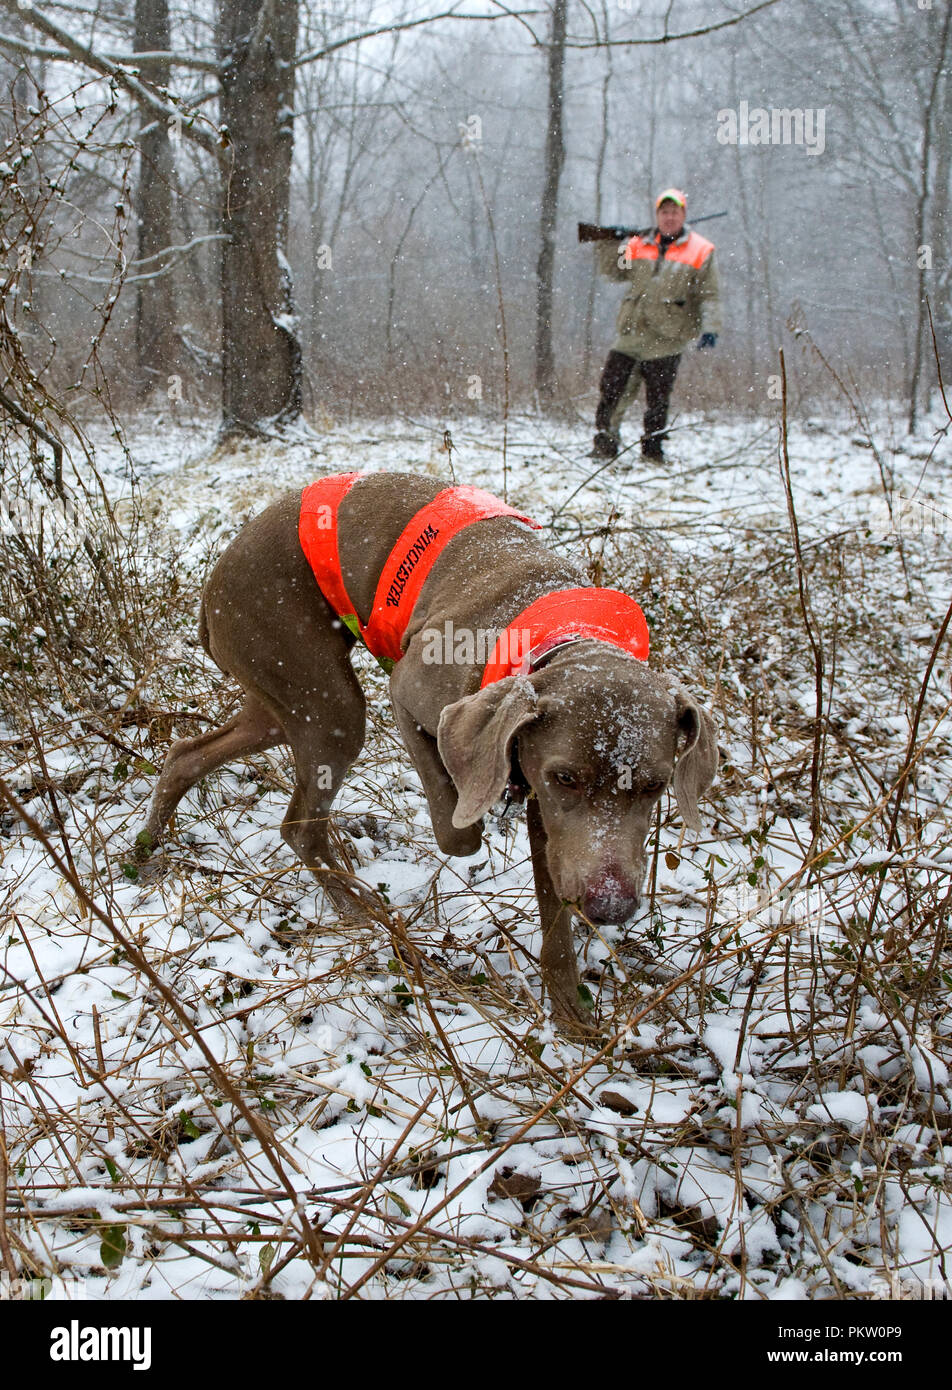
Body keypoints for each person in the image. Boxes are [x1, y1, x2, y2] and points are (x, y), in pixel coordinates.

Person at [591, 188, 721, 463]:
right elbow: (614, 272)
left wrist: (711, 327)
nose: (669, 217)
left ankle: (653, 452)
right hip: (631, 332)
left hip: (668, 337)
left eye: (674, 212)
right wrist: (609, 241)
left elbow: (709, 294)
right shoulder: (637, 243)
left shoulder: (700, 250)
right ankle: (605, 444)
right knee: (612, 388)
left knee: (658, 399)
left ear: (683, 215)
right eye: (664, 212)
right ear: (657, 215)